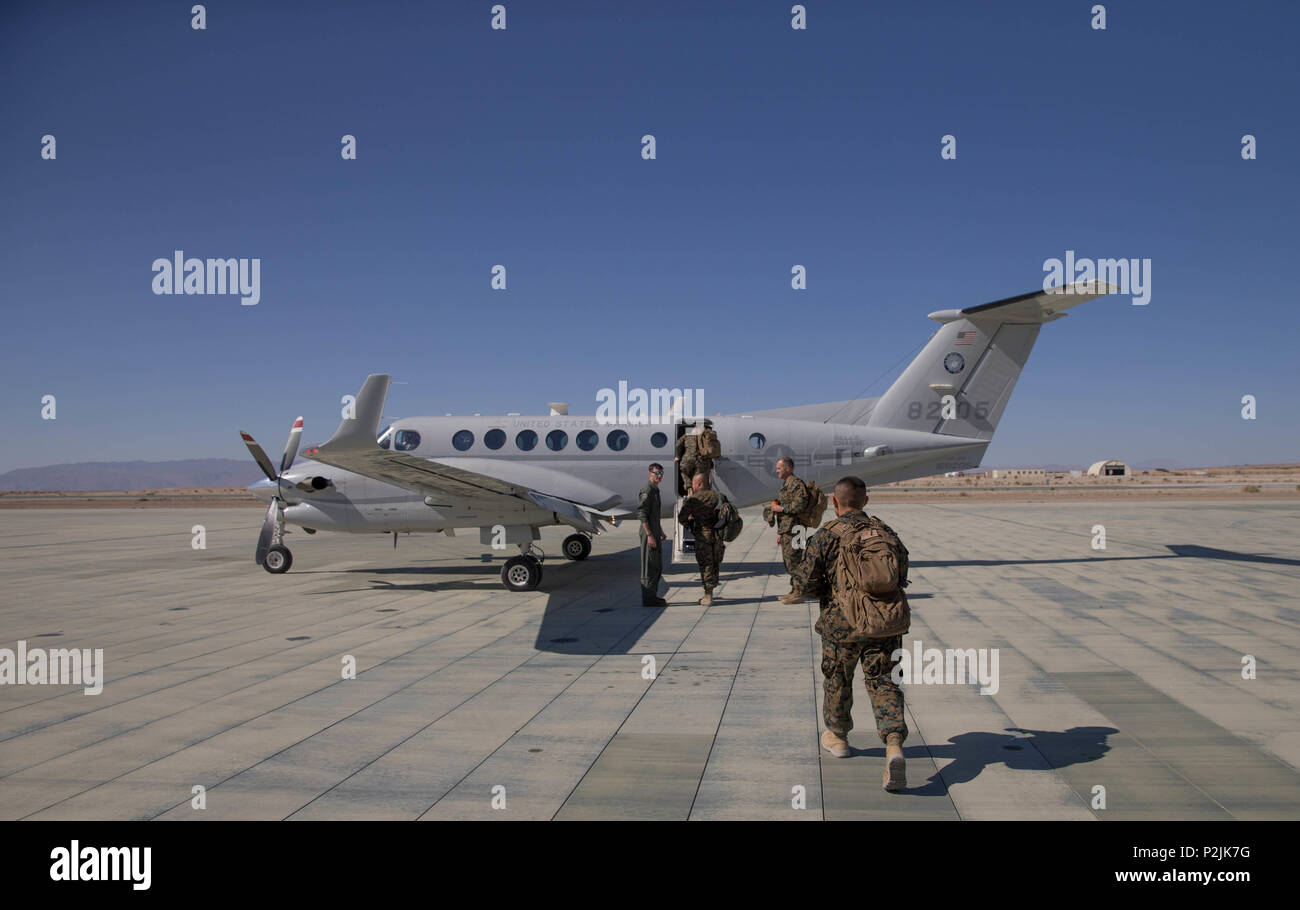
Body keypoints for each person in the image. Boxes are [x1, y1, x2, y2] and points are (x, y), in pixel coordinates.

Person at [792, 476, 908, 791]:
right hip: (884, 624)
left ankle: (838, 737)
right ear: (865, 501)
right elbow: (901, 575)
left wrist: (830, 593)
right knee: (885, 682)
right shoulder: (886, 532)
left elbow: (804, 584)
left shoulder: (826, 536)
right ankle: (893, 743)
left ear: (835, 502)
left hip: (841, 625)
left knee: (838, 680)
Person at [677, 472, 725, 606]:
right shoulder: (718, 496)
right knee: (715, 562)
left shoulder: (693, 500)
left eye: (693, 483)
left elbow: (682, 518)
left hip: (703, 537)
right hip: (717, 535)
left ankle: (708, 595)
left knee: (706, 564)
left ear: (699, 484)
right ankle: (712, 589)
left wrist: (691, 525)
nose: (692, 486)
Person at [770, 456, 811, 604]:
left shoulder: (797, 484)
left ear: (788, 468)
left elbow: (800, 505)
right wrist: (780, 532)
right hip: (788, 529)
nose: (777, 471)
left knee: (796, 561)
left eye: (779, 468)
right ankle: (794, 590)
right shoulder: (786, 484)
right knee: (789, 562)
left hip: (797, 528)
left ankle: (799, 593)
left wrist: (781, 508)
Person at [636, 463, 669, 607]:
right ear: (650, 473)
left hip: (654, 531)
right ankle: (648, 599)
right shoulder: (647, 490)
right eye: (656, 473)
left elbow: (654, 515)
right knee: (648, 565)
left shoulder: (655, 490)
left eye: (661, 473)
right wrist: (649, 535)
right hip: (648, 532)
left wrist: (660, 531)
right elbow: (642, 514)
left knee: (656, 565)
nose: (659, 476)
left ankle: (653, 596)